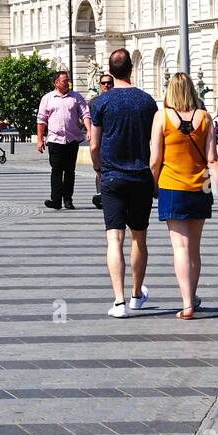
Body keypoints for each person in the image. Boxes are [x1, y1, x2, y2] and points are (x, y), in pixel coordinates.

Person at [150, 72, 218, 319]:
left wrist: (152, 185)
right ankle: (193, 297)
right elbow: (213, 159)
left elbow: (155, 159)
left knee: (180, 247)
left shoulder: (162, 117)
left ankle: (187, 303)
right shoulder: (204, 118)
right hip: (201, 187)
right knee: (194, 248)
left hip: (171, 187)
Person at [89, 48, 158, 317]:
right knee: (139, 237)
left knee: (114, 239)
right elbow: (155, 144)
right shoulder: (147, 102)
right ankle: (136, 295)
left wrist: (99, 169)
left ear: (110, 70)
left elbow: (94, 145)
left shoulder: (100, 104)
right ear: (131, 69)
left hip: (112, 177)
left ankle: (118, 302)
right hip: (141, 176)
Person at [36, 70, 92, 210]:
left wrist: (89, 130)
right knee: (56, 170)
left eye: (68, 80)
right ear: (56, 83)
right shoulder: (48, 98)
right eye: (64, 81)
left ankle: (68, 199)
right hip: (55, 139)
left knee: (69, 171)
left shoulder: (76, 97)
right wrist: (40, 139)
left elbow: (85, 114)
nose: (67, 83)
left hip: (72, 139)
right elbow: (41, 119)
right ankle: (56, 200)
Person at [91, 73, 114, 208]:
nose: (107, 85)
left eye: (109, 82)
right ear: (100, 85)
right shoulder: (94, 102)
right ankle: (101, 194)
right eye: (104, 83)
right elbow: (86, 118)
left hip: (113, 142)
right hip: (100, 142)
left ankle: (108, 195)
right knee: (99, 171)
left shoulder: (118, 99)